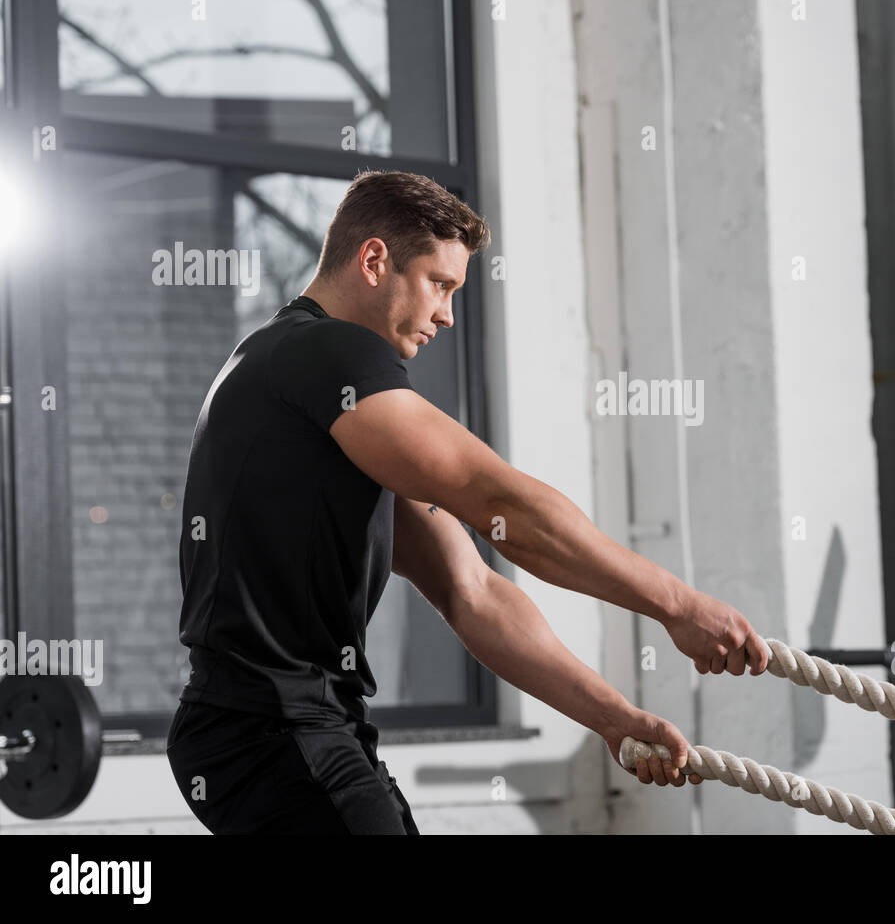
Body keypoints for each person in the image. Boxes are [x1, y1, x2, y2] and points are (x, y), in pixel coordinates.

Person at [165, 169, 769, 834]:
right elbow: (500, 502)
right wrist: (678, 605)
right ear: (374, 260)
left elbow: (471, 590)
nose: (447, 315)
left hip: (286, 731)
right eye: (439, 284)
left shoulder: (294, 375)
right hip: (275, 731)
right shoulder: (326, 353)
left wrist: (612, 717)